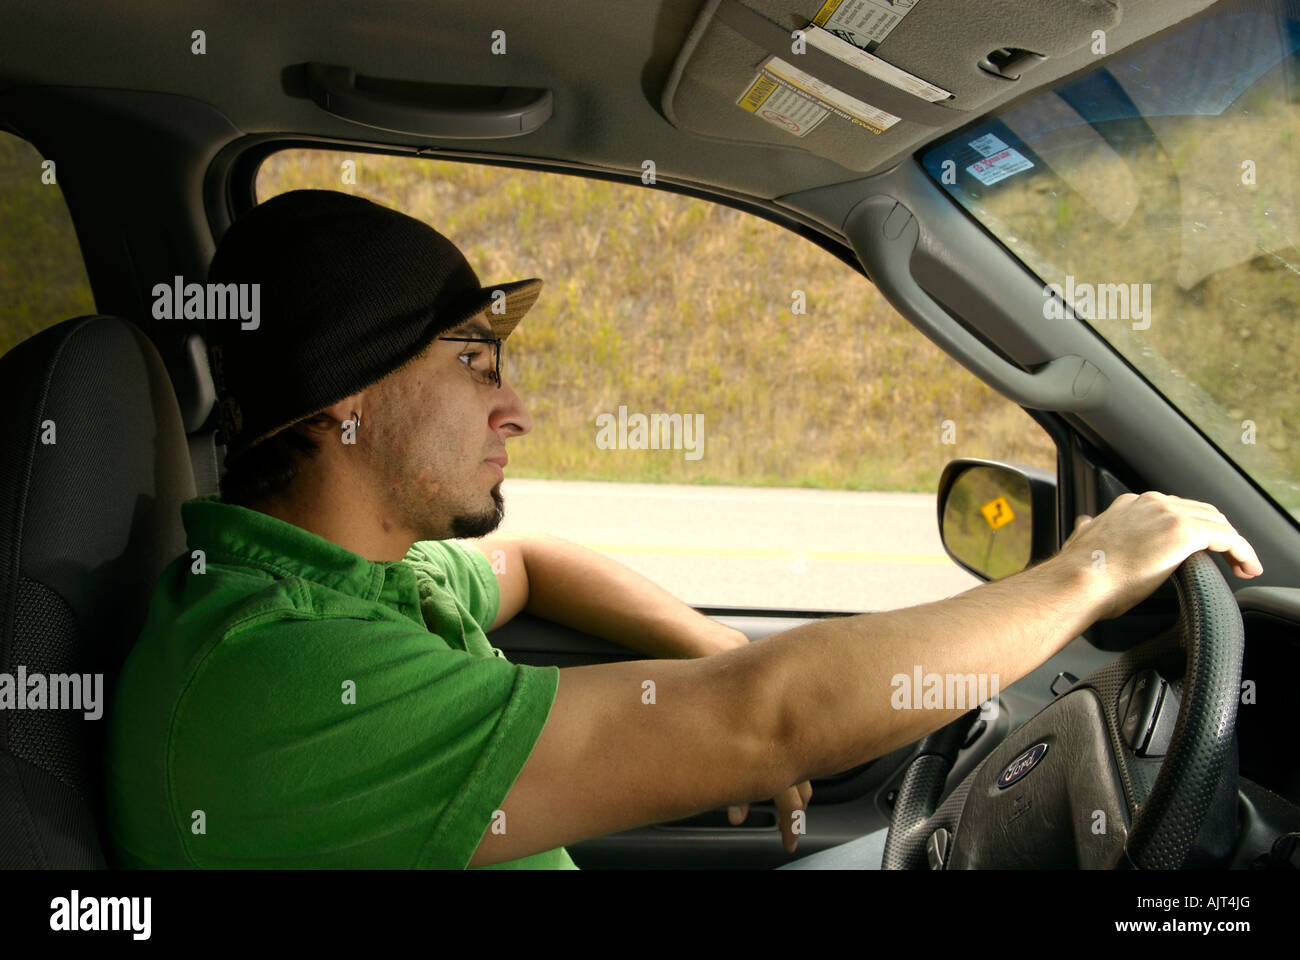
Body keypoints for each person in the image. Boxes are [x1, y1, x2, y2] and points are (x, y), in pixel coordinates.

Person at [104, 189, 1264, 870]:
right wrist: (1091, 568)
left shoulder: (355, 582)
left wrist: (719, 660)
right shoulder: (271, 670)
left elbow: (528, 563)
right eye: (471, 363)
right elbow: (774, 717)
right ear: (341, 398)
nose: (516, 406)